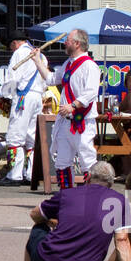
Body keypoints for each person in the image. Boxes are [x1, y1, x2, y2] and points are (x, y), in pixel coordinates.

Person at [24, 162, 131, 261]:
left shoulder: (68, 193)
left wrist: (50, 221)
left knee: (38, 228)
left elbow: (34, 214)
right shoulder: (120, 202)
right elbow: (122, 241)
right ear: (111, 183)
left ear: (88, 178)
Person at [30, 29, 100, 188]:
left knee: (87, 160)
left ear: (77, 43)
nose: (64, 43)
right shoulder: (68, 64)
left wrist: (73, 105)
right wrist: (37, 60)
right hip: (65, 122)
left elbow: (91, 92)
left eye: (67, 40)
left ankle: (91, 197)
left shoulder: (90, 66)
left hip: (82, 122)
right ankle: (67, 197)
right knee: (62, 161)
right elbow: (51, 79)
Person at [0, 36, 45, 186]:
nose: (11, 50)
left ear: (15, 43)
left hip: (23, 97)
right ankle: (30, 174)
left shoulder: (18, 53)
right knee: (31, 136)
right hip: (38, 97)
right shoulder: (40, 54)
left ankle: (14, 175)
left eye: (10, 46)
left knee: (15, 136)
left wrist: (3, 94)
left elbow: (12, 78)